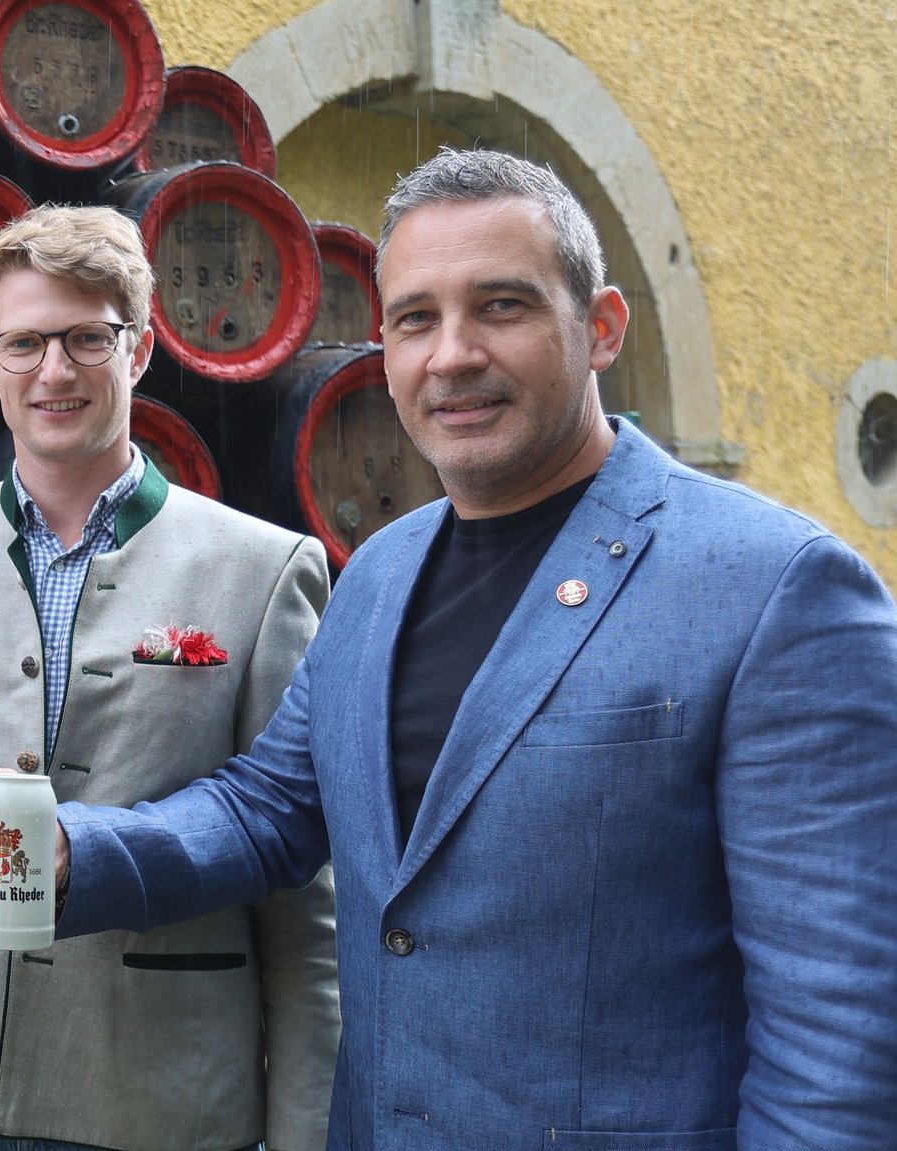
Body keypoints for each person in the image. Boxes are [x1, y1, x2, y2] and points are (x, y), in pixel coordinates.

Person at [53, 149, 897, 1146]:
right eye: (414, 318)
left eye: (500, 306)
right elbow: (272, 806)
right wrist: (70, 851)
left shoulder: (775, 585)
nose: (450, 354)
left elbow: (838, 1024)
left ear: (601, 328)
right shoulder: (377, 570)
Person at [0, 205, 340, 1151]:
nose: (54, 370)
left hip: (161, 1097)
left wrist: (304, 1130)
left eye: (89, 337)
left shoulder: (265, 569)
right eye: (25, 342)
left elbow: (301, 899)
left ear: (141, 350)